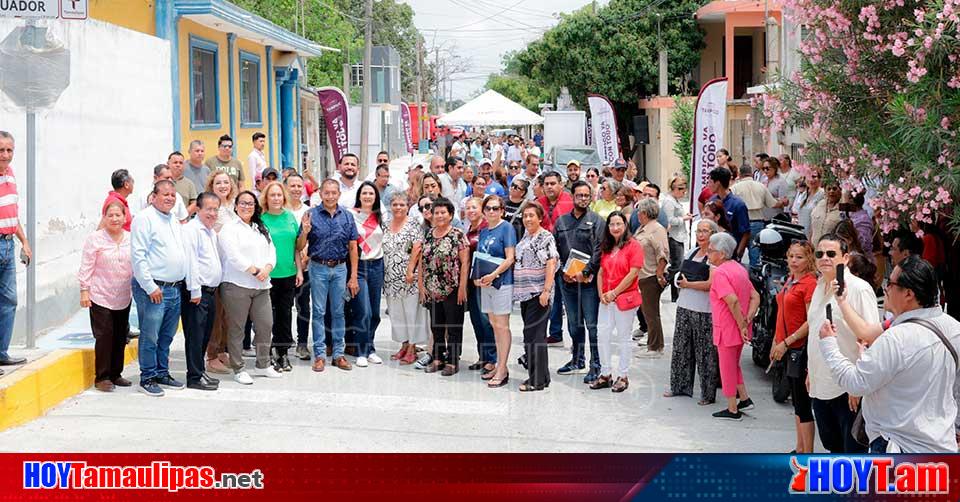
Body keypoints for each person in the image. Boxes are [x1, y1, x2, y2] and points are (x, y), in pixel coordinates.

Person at [819, 255, 960, 453]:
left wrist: (828, 345)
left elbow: (855, 383)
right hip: (942, 448)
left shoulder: (897, 339)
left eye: (890, 284)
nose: (886, 289)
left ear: (908, 294)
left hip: (897, 449)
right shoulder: (954, 329)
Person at [806, 233, 878, 453]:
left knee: (851, 453)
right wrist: (812, 371)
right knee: (832, 447)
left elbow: (872, 338)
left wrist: (859, 384)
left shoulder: (858, 288)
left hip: (847, 389)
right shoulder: (820, 286)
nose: (824, 258)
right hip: (821, 383)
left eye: (831, 254)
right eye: (820, 254)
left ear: (845, 258)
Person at [130, 180, 187, 396]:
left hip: (174, 288)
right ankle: (148, 377)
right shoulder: (145, 219)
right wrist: (149, 286)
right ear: (153, 196)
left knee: (166, 336)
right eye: (165, 194)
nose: (170, 198)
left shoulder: (173, 219)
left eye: (173, 194)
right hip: (154, 289)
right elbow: (138, 256)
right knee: (150, 336)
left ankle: (163, 372)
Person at [298, 179, 360, 372]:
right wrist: (305, 232)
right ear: (321, 194)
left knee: (339, 311)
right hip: (318, 268)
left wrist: (354, 276)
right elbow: (299, 246)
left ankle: (339, 355)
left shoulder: (348, 217)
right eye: (327, 193)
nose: (330, 196)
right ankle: (320, 355)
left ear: (339, 194)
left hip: (341, 269)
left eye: (334, 192)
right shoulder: (311, 215)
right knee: (318, 312)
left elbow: (353, 247)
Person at [78, 201, 133, 392]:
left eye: (118, 215)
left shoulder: (131, 238)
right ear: (104, 217)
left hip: (123, 295)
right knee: (104, 336)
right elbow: (86, 266)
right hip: (100, 294)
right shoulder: (95, 239)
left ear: (125, 217)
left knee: (120, 336)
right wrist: (84, 289)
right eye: (110, 215)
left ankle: (116, 374)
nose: (115, 219)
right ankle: (101, 377)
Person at [664, 219, 721, 404]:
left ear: (713, 234)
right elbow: (680, 274)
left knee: (705, 353)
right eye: (698, 231)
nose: (700, 235)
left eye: (705, 231)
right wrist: (681, 283)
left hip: (704, 310)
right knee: (681, 349)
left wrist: (689, 284)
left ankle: (707, 393)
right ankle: (679, 386)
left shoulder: (714, 257)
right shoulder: (691, 252)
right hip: (685, 306)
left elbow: (711, 284)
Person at [769, 241, 818, 453]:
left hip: (799, 348)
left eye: (799, 257)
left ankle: (807, 452)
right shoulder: (791, 280)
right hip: (787, 346)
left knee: (803, 403)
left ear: (809, 259)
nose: (794, 261)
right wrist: (775, 341)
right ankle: (800, 447)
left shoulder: (809, 284)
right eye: (791, 256)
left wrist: (787, 342)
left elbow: (811, 320)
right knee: (797, 403)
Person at [554, 181, 604, 383]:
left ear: (591, 197)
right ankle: (577, 359)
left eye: (586, 195)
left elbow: (599, 250)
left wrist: (586, 271)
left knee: (592, 325)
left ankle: (596, 365)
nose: (583, 198)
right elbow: (555, 250)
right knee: (574, 325)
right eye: (579, 195)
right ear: (572, 197)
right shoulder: (561, 222)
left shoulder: (598, 221)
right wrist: (562, 271)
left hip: (588, 283)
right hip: (567, 282)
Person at [707, 232, 760, 420]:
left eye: (711, 250)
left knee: (727, 368)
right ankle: (744, 398)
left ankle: (732, 408)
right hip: (738, 327)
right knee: (733, 365)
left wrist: (742, 324)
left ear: (721, 254)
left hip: (728, 328)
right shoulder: (739, 268)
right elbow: (755, 296)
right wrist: (747, 319)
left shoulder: (720, 272)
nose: (708, 253)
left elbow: (733, 301)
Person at [418, 198, 469, 376]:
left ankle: (453, 361)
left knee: (454, 326)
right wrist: (421, 286)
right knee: (436, 325)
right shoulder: (428, 234)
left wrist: (462, 287)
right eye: (436, 212)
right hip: (432, 288)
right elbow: (422, 261)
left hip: (452, 288)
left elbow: (465, 262)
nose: (439, 216)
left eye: (443, 212)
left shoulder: (457, 235)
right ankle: (438, 358)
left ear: (451, 215)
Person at [592, 211, 643, 393]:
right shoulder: (606, 247)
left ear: (625, 225)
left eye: (618, 224)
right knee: (602, 335)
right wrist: (602, 294)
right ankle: (606, 373)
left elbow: (633, 273)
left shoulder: (633, 246)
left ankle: (623, 375)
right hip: (606, 299)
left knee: (623, 337)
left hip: (624, 298)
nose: (615, 228)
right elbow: (600, 272)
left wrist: (614, 292)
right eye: (611, 224)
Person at [513, 202, 559, 391]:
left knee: (534, 336)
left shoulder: (545, 237)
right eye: (525, 216)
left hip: (538, 293)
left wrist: (546, 291)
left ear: (540, 218)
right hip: (525, 294)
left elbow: (551, 262)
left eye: (532, 215)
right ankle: (542, 377)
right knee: (533, 335)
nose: (528, 219)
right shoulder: (525, 237)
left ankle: (536, 380)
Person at [179, 192, 223, 391]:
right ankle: (194, 376)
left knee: (205, 334)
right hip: (197, 293)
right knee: (195, 335)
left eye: (216, 209)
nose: (212, 213)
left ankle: (200, 371)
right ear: (198, 209)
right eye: (208, 209)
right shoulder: (192, 230)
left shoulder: (210, 231)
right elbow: (191, 262)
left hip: (210, 292)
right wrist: (195, 290)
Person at [260, 182, 302, 372]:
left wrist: (299, 270)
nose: (276, 198)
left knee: (285, 315)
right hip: (267, 276)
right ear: (266, 199)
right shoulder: (261, 219)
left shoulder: (290, 217)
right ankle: (266, 353)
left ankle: (282, 353)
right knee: (266, 317)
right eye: (272, 195)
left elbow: (296, 248)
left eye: (279, 195)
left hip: (288, 273)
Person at [476, 196, 516, 385]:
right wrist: (478, 277)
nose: (491, 212)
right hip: (487, 284)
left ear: (502, 210)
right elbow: (481, 258)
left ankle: (502, 368)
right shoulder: (484, 231)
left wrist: (493, 275)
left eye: (495, 208)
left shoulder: (506, 228)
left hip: (502, 282)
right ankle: (501, 366)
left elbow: (510, 258)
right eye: (488, 208)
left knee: (502, 326)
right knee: (493, 324)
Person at [202, 171, 239, 374]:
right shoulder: (212, 208)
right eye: (218, 183)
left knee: (227, 314)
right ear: (212, 186)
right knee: (215, 315)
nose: (223, 185)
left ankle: (223, 350)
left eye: (226, 182)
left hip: (231, 270)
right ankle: (212, 355)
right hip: (215, 268)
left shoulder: (233, 208)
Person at [383, 195, 427, 365]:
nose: (398, 207)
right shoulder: (386, 224)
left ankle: (412, 348)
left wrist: (410, 270)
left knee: (411, 313)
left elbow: (417, 247)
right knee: (397, 314)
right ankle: (404, 344)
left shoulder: (414, 223)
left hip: (409, 277)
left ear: (408, 206)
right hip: (390, 277)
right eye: (395, 204)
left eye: (402, 204)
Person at [348, 182, 385, 367]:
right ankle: (361, 351)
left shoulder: (380, 216)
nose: (368, 196)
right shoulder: (351, 215)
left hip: (377, 266)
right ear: (359, 195)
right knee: (363, 311)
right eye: (365, 193)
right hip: (359, 266)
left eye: (371, 193)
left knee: (375, 313)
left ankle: (370, 348)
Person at [537, 171, 574, 346]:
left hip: (567, 257)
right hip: (545, 259)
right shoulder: (538, 204)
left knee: (571, 299)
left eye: (553, 183)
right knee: (552, 297)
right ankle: (555, 332)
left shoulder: (570, 202)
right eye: (547, 184)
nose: (550, 186)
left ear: (561, 184)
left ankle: (576, 339)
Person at [461, 197, 495, 374]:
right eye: (468, 208)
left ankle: (492, 358)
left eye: (474, 207)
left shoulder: (486, 227)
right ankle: (482, 356)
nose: (471, 210)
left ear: (482, 209)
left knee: (486, 320)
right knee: (476, 321)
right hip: (471, 282)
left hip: (484, 280)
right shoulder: (469, 229)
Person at [730, 163, 787, 267]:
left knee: (736, 253)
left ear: (740, 174)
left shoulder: (734, 188)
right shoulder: (761, 186)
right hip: (757, 223)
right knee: (755, 254)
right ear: (751, 173)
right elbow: (773, 204)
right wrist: (782, 202)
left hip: (740, 224)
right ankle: (755, 279)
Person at [634, 197, 670, 356]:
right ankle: (654, 343)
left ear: (644, 213)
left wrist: (660, 273)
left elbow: (662, 254)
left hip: (651, 276)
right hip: (642, 276)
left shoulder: (657, 229)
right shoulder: (643, 228)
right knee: (648, 312)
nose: (637, 214)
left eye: (639, 211)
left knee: (651, 312)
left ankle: (655, 347)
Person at [284, 174, 312, 360]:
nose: (295, 189)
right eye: (292, 185)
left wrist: (306, 256)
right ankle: (283, 343)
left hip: (305, 265)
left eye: (299, 186)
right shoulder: (279, 210)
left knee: (303, 306)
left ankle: (302, 344)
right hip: (283, 267)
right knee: (283, 307)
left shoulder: (309, 211)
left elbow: (312, 236)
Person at [707, 168, 751, 261]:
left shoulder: (738, 204)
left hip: (730, 254)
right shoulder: (712, 200)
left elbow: (746, 232)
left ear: (718, 183)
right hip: (714, 252)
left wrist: (739, 253)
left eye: (710, 182)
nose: (708, 185)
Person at [661, 174, 692, 302]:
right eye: (681, 189)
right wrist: (683, 219)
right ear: (675, 188)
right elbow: (669, 220)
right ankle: (664, 282)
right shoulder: (669, 201)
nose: (684, 192)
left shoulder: (674, 201)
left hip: (678, 236)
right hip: (673, 237)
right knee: (676, 266)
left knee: (678, 265)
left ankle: (675, 294)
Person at [796, 168, 825, 238]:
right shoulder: (804, 194)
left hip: (814, 235)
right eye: (809, 176)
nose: (811, 180)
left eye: (814, 177)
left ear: (820, 178)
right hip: (801, 233)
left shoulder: (822, 195)